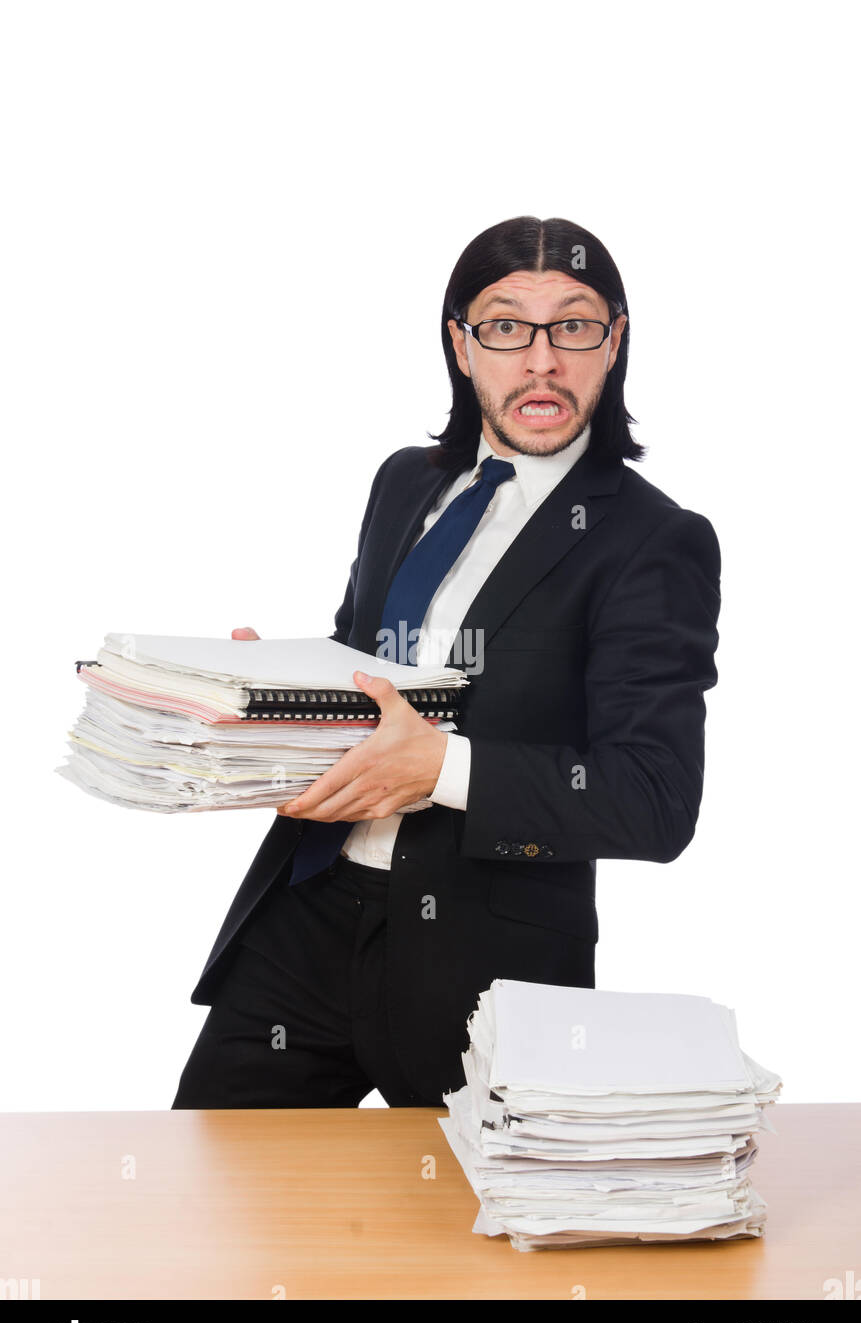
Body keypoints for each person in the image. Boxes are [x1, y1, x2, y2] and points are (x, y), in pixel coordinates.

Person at [171, 215, 721, 1110]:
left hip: (486, 962)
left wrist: (442, 768)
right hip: (306, 909)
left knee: (476, 1237)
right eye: (505, 327)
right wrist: (273, 701)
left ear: (613, 344)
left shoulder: (653, 542)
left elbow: (652, 799)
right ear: (462, 347)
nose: (540, 361)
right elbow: (367, 678)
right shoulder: (404, 483)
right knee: (209, 1202)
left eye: (572, 325)